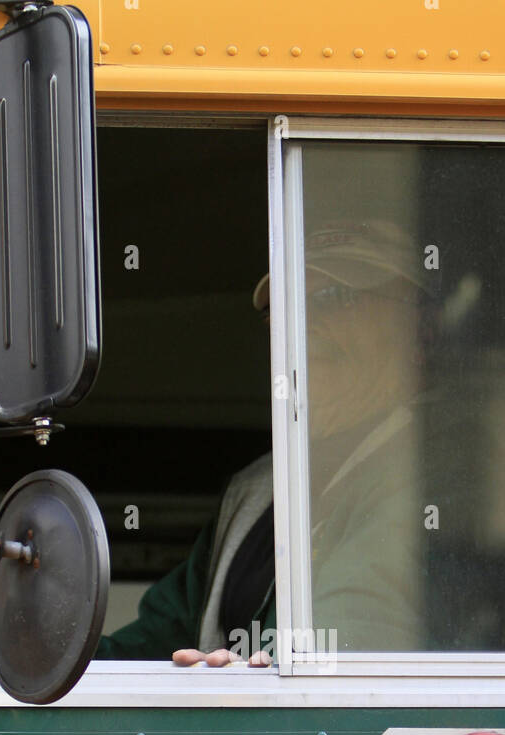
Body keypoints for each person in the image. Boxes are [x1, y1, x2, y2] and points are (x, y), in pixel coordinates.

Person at [94, 220, 443, 665]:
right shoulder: (256, 487)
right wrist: (43, 655)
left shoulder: (443, 468)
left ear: (418, 331)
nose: (303, 327)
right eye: (285, 310)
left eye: (334, 298)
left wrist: (267, 675)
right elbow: (155, 641)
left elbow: (362, 624)